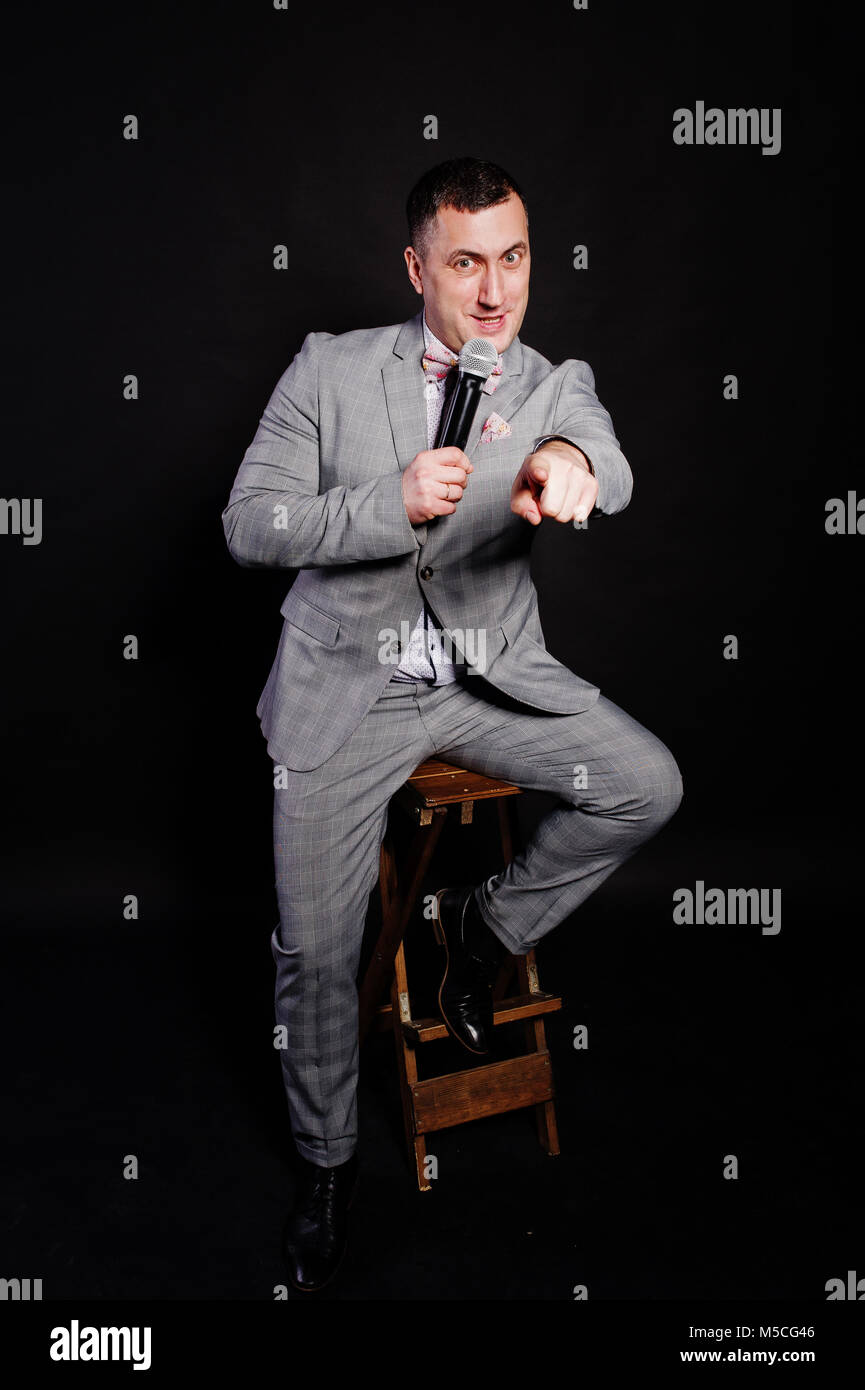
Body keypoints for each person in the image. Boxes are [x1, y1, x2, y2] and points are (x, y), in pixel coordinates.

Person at [221, 156, 683, 1292]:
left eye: (513, 259)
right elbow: (248, 522)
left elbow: (601, 458)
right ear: (416, 266)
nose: (494, 292)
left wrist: (570, 465)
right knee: (317, 956)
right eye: (467, 262)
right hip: (346, 687)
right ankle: (328, 1164)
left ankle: (478, 929)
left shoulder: (547, 377)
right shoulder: (327, 372)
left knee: (646, 781)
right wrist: (385, 504)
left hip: (484, 676)